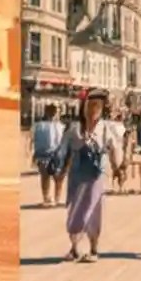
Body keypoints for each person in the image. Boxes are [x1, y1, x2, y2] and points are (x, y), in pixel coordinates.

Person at [57, 89, 124, 263]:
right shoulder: (74, 129)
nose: (93, 110)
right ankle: (74, 249)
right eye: (91, 106)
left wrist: (117, 169)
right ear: (84, 108)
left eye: (97, 107)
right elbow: (65, 151)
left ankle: (94, 249)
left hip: (95, 179)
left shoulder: (105, 128)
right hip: (77, 178)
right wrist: (61, 170)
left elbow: (114, 149)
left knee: (93, 211)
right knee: (75, 212)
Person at [31, 105, 66, 207]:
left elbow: (35, 142)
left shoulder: (38, 126)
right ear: (56, 114)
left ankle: (46, 198)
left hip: (43, 156)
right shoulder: (61, 126)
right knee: (58, 179)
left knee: (45, 178)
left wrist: (35, 155)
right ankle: (57, 199)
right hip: (57, 157)